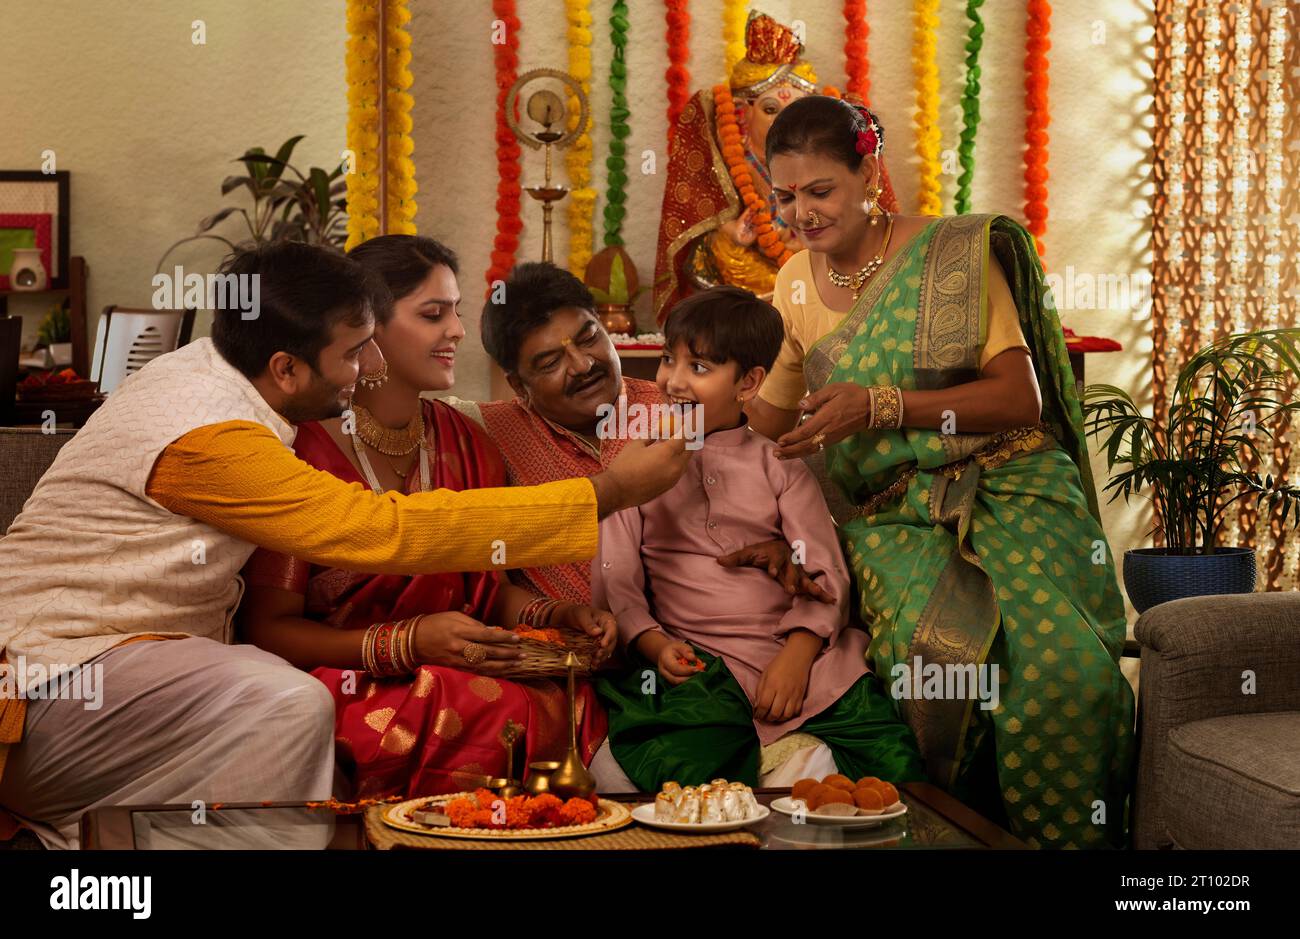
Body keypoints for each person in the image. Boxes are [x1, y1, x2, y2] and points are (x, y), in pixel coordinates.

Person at [0, 241, 688, 848]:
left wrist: (540, 616)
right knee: (287, 704)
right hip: (49, 685)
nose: (368, 366)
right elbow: (380, 530)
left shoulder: (221, 375)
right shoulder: (213, 436)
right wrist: (608, 491)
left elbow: (471, 573)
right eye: (354, 352)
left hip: (144, 676)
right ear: (287, 368)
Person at [746, 95, 1134, 849]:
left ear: (870, 171)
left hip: (1010, 485)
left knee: (1068, 680)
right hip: (893, 516)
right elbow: (768, 415)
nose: (802, 215)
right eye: (784, 197)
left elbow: (1021, 396)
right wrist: (682, 414)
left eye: (820, 191)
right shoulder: (793, 283)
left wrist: (883, 406)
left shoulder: (955, 252)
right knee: (937, 668)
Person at [238, 236, 614, 799]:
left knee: (568, 689)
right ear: (367, 329)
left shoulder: (468, 444)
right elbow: (267, 629)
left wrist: (554, 611)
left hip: (457, 666)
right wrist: (405, 643)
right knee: (471, 701)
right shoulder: (302, 453)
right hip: (349, 680)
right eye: (434, 314)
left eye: (456, 312)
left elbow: (486, 593)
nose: (458, 331)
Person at [594, 286, 925, 790]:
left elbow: (825, 570)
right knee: (678, 772)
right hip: (694, 661)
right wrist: (655, 644)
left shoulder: (779, 466)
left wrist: (797, 654)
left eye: (699, 368)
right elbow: (617, 580)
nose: (674, 382)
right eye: (668, 360)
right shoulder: (637, 463)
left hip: (799, 655)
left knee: (893, 766)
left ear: (748, 382)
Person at [451, 260, 831, 607]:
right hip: (563, 661)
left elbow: (768, 494)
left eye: (589, 338)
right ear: (519, 386)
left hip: (701, 646)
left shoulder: (688, 408)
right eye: (551, 361)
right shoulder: (483, 435)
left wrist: (785, 548)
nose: (583, 365)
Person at [651, 11, 902, 324]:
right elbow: (704, 233)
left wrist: (809, 235)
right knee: (718, 252)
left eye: (795, 108)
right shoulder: (732, 155)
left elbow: (866, 222)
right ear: (744, 113)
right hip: (753, 272)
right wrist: (732, 235)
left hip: (817, 260)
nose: (785, 120)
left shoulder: (832, 156)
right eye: (771, 109)